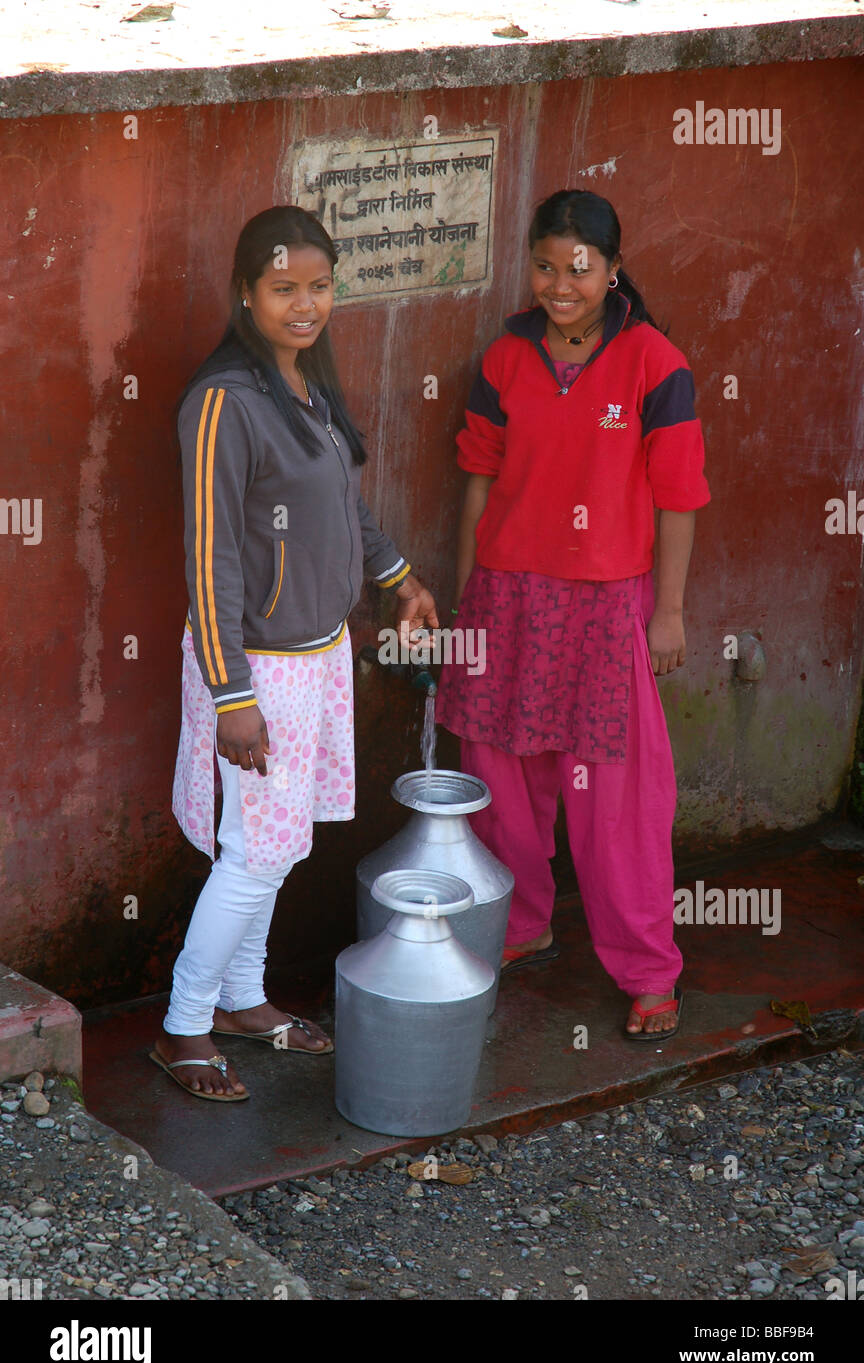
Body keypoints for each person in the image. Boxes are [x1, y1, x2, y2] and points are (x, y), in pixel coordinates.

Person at [151, 206, 438, 1099]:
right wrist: (232, 693)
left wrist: (398, 578)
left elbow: (339, 504)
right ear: (246, 293)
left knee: (274, 842)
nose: (305, 305)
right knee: (258, 853)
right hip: (256, 668)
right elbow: (210, 556)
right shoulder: (221, 402)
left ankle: (243, 999)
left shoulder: (307, 380)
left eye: (319, 286)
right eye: (284, 289)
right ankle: (184, 1025)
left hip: (317, 654)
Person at [435, 189, 710, 1039]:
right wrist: (461, 599)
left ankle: (646, 970)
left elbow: (679, 498)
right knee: (498, 778)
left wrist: (668, 612)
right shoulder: (507, 356)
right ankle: (521, 925)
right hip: (507, 594)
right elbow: (478, 478)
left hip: (606, 602)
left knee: (615, 797)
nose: (561, 285)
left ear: (613, 269)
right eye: (547, 267)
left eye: (579, 269)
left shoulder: (654, 363)